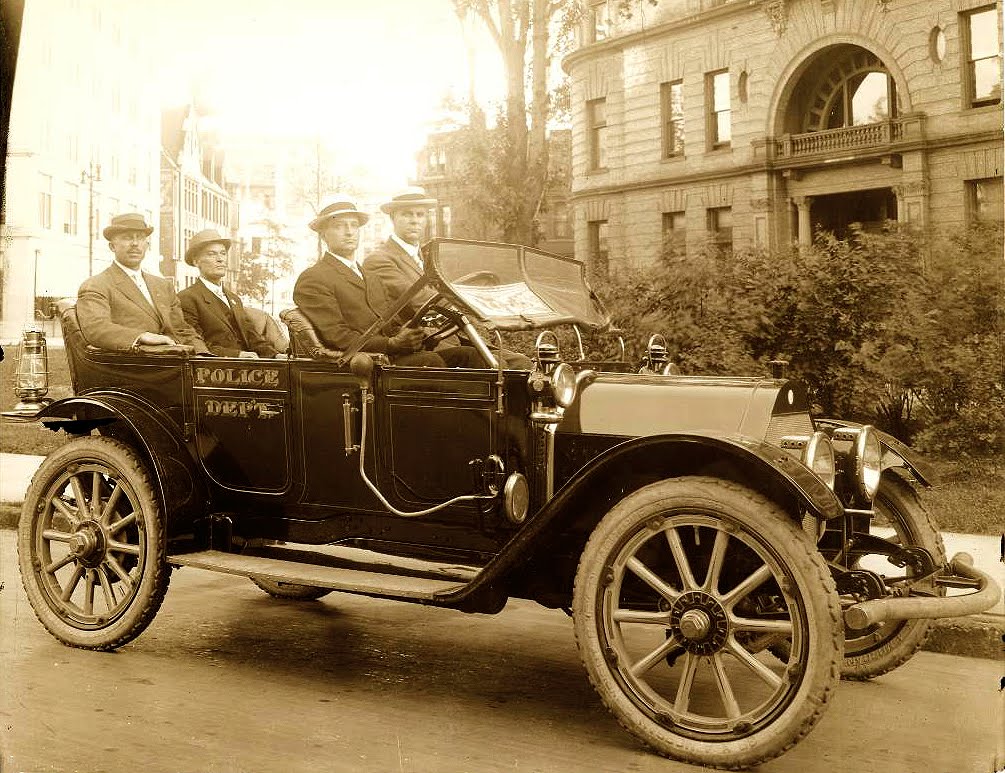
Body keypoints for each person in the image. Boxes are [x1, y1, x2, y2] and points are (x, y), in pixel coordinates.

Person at [366, 188, 532, 370]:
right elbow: (420, 300)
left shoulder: (430, 256)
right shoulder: (380, 260)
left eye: (420, 215)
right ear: (393, 218)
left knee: (522, 364)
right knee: (496, 367)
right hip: (425, 345)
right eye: (407, 214)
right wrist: (476, 302)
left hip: (459, 335)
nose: (415, 220)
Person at [293, 198, 449, 367]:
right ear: (323, 235)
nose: (349, 232)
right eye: (339, 226)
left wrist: (411, 335)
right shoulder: (313, 278)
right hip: (359, 366)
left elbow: (390, 322)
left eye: (354, 225)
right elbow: (337, 336)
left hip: (388, 358)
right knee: (432, 361)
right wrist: (391, 344)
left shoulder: (370, 277)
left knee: (468, 355)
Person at [77, 213, 209, 354]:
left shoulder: (163, 286)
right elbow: (96, 329)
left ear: (147, 245)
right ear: (112, 246)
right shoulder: (96, 285)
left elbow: (181, 329)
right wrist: (141, 336)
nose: (135, 243)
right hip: (133, 366)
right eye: (127, 237)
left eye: (139, 238)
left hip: (174, 362)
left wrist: (205, 356)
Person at [178, 229, 282, 358]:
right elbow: (196, 345)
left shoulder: (234, 299)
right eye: (211, 254)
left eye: (223, 253)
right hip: (214, 369)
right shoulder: (187, 298)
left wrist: (275, 355)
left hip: (248, 368)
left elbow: (252, 336)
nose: (220, 259)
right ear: (196, 261)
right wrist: (237, 355)